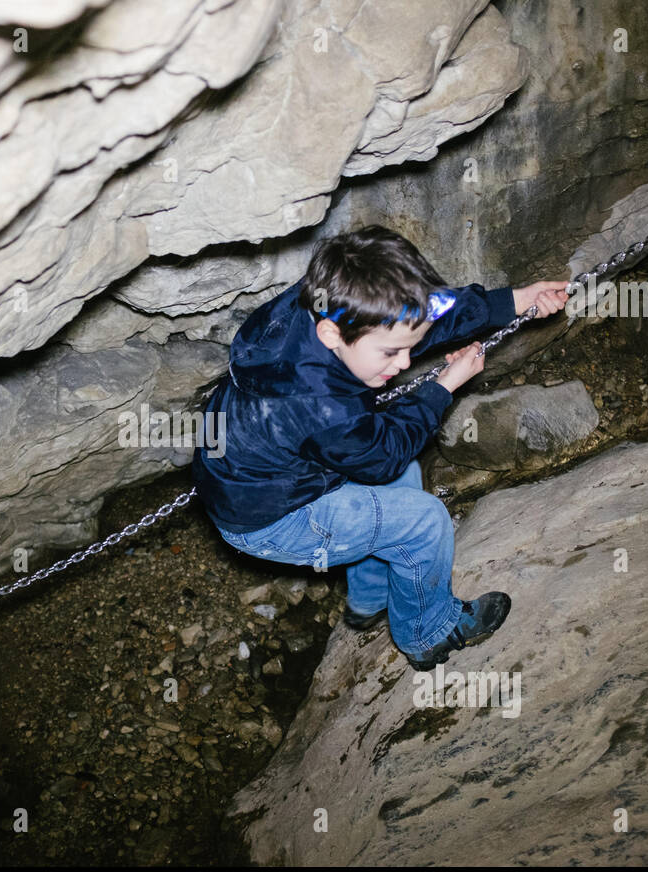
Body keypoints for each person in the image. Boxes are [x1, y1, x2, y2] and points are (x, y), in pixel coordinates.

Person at [191, 225, 568, 671]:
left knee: (403, 479)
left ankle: (369, 600)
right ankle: (429, 633)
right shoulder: (319, 404)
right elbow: (383, 452)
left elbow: (432, 312)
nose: (406, 363)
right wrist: (443, 386)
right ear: (333, 335)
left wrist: (515, 300)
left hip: (267, 469)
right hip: (270, 516)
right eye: (391, 353)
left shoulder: (328, 300)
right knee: (425, 522)